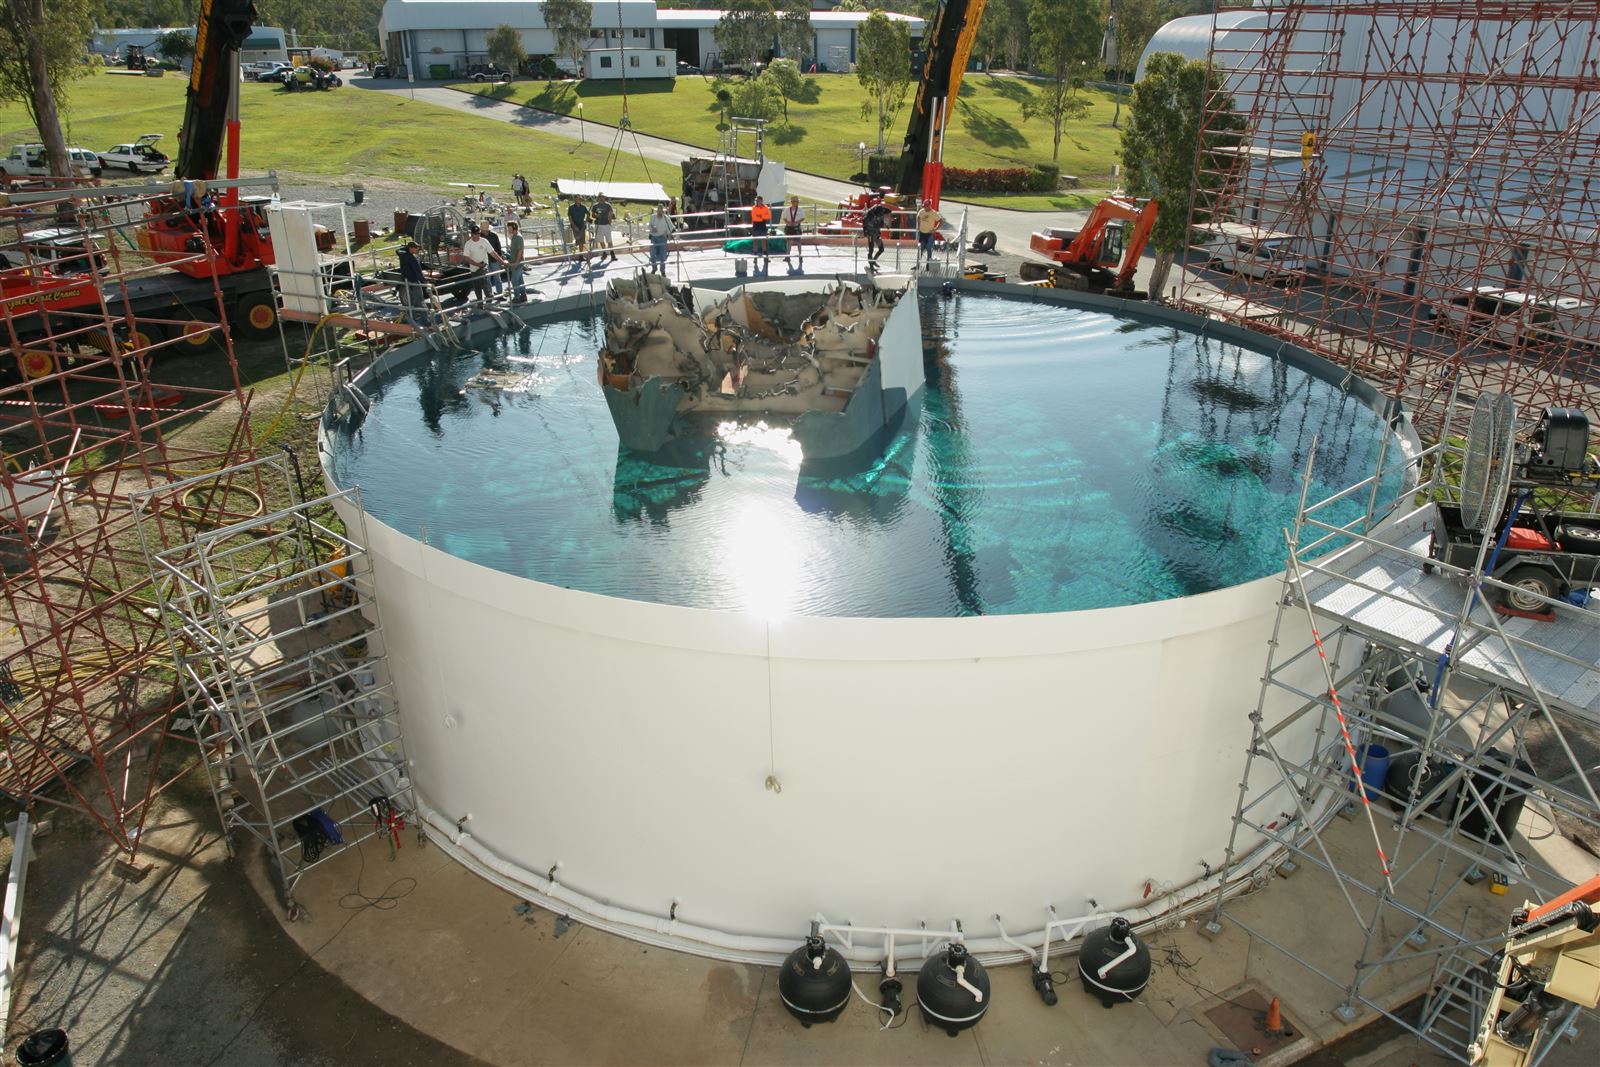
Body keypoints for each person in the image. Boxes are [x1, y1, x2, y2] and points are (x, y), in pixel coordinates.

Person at [460, 223, 502, 305]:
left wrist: (501, 261)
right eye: (475, 234)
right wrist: (477, 264)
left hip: (484, 266)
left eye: (478, 234)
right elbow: (466, 257)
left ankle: (489, 297)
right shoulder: (468, 243)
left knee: (484, 280)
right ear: (472, 234)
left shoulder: (484, 241)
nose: (477, 235)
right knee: (477, 286)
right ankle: (480, 302)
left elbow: (493, 252)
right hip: (474, 268)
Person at [396, 240, 428, 325]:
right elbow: (417, 271)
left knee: (410, 302)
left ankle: (412, 319)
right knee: (420, 301)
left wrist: (405, 247)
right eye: (415, 248)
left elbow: (397, 250)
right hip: (414, 281)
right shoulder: (412, 259)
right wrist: (424, 281)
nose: (417, 249)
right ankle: (426, 320)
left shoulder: (402, 255)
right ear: (410, 248)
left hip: (406, 281)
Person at [862, 197, 890, 266]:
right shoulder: (870, 214)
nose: (880, 216)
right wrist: (865, 231)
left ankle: (874, 260)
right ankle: (871, 264)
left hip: (877, 234)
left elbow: (888, 211)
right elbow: (864, 221)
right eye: (879, 215)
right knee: (871, 249)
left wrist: (885, 224)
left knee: (881, 249)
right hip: (870, 234)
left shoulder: (881, 211)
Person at [647, 203, 674, 272]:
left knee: (662, 255)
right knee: (652, 253)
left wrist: (667, 234)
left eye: (661, 210)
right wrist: (652, 228)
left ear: (663, 211)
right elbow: (649, 226)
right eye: (658, 210)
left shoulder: (666, 218)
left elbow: (671, 227)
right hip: (654, 237)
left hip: (662, 238)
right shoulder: (653, 217)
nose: (659, 212)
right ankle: (654, 267)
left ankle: (662, 270)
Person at [505, 220, 527, 302]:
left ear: (514, 228)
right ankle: (523, 295)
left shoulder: (518, 237)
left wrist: (516, 263)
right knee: (520, 280)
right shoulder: (514, 236)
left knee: (514, 280)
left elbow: (520, 251)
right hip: (515, 262)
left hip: (517, 263)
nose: (508, 230)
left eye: (509, 228)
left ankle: (517, 297)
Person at [916, 199, 942, 268]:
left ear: (929, 206)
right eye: (924, 206)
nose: (925, 208)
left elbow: (941, 221)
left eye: (926, 206)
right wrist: (918, 226)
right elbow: (918, 217)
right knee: (920, 249)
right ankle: (918, 265)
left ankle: (928, 265)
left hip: (929, 234)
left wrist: (935, 229)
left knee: (929, 249)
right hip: (922, 233)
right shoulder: (921, 211)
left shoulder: (933, 213)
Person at [591, 193, 617, 263]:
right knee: (601, 240)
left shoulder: (608, 205)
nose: (601, 198)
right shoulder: (595, 206)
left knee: (609, 240)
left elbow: (611, 213)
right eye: (600, 197)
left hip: (606, 225)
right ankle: (604, 252)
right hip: (598, 225)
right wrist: (596, 216)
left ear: (605, 198)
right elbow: (592, 215)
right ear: (598, 198)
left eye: (603, 197)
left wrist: (610, 222)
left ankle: (612, 254)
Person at [782, 195, 805, 269]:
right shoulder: (787, 209)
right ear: (791, 202)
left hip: (796, 227)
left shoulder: (800, 210)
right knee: (789, 242)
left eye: (797, 201)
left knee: (798, 242)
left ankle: (800, 256)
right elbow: (784, 218)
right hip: (789, 227)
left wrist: (797, 222)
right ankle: (788, 256)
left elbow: (803, 218)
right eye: (794, 201)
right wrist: (788, 222)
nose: (795, 203)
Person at [749, 194, 772, 269]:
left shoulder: (765, 207)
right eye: (757, 201)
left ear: (762, 201)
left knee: (764, 242)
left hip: (763, 226)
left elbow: (768, 216)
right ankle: (755, 258)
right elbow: (754, 217)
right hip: (756, 226)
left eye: (759, 200)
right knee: (755, 242)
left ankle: (765, 257)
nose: (758, 202)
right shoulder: (753, 208)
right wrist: (762, 216)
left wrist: (760, 216)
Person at [482, 222, 506, 293]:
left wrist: (499, 258)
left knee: (497, 278)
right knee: (487, 279)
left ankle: (500, 292)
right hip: (485, 260)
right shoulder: (480, 236)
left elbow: (498, 247)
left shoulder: (494, 235)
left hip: (494, 259)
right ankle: (490, 294)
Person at [566, 196, 590, 263]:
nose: (580, 200)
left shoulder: (583, 207)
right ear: (575, 199)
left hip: (582, 225)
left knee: (582, 241)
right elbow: (570, 217)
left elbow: (588, 213)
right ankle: (575, 252)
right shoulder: (571, 208)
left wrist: (586, 221)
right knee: (578, 239)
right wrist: (574, 226)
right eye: (579, 199)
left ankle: (581, 256)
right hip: (575, 226)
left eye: (580, 199)